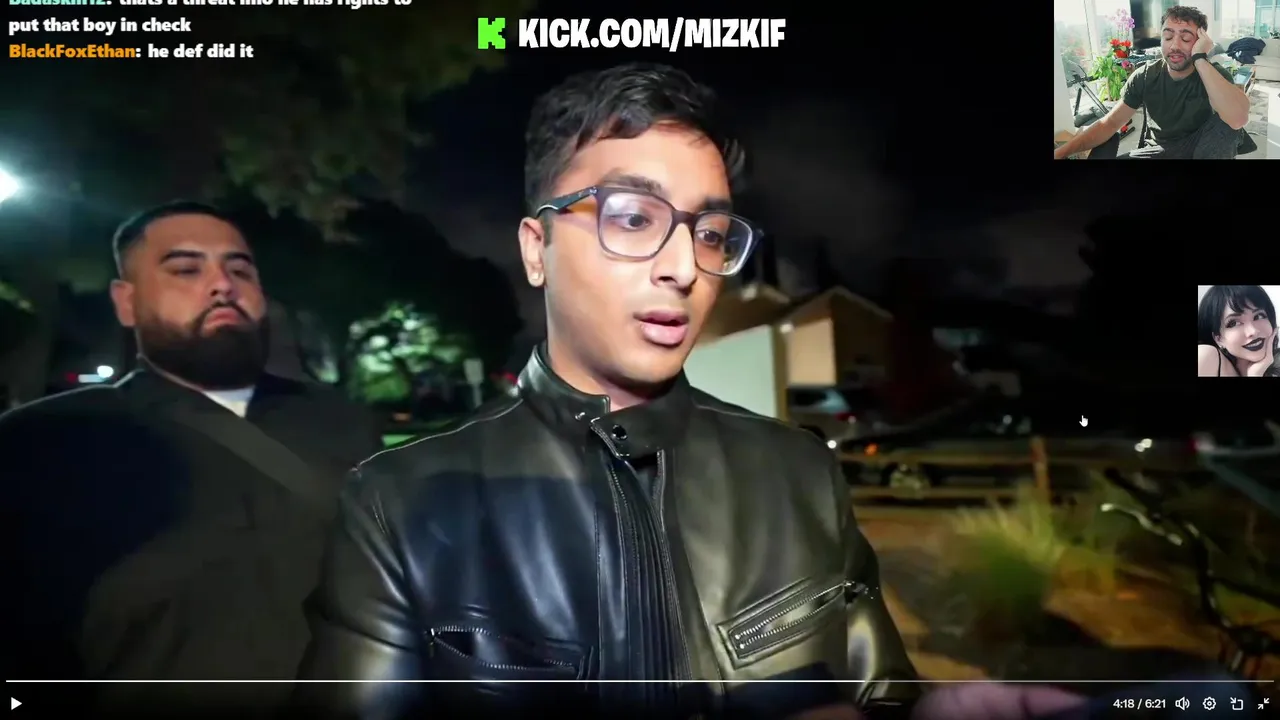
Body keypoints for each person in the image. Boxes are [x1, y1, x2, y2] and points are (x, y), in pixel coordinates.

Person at [296, 64, 1084, 720]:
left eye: (709, 233)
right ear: (537, 249)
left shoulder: (799, 474)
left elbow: (879, 694)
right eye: (633, 218)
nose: (683, 266)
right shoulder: (399, 503)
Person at [0, 201, 383, 711]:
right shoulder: (41, 442)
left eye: (240, 270)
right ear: (126, 302)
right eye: (185, 269)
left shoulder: (342, 424)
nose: (222, 285)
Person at [1053, 5, 1250, 160]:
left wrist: (1200, 58)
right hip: (1157, 151)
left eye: (1185, 38)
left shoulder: (1213, 74)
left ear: (1200, 41)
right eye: (1168, 36)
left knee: (1226, 122)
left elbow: (1237, 119)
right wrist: (1060, 153)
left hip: (1198, 149)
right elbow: (1110, 123)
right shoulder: (1145, 75)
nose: (1174, 45)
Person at [1197, 285, 1279, 377]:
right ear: (1218, 338)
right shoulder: (1205, 355)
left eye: (1258, 316)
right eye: (1234, 323)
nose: (1253, 331)